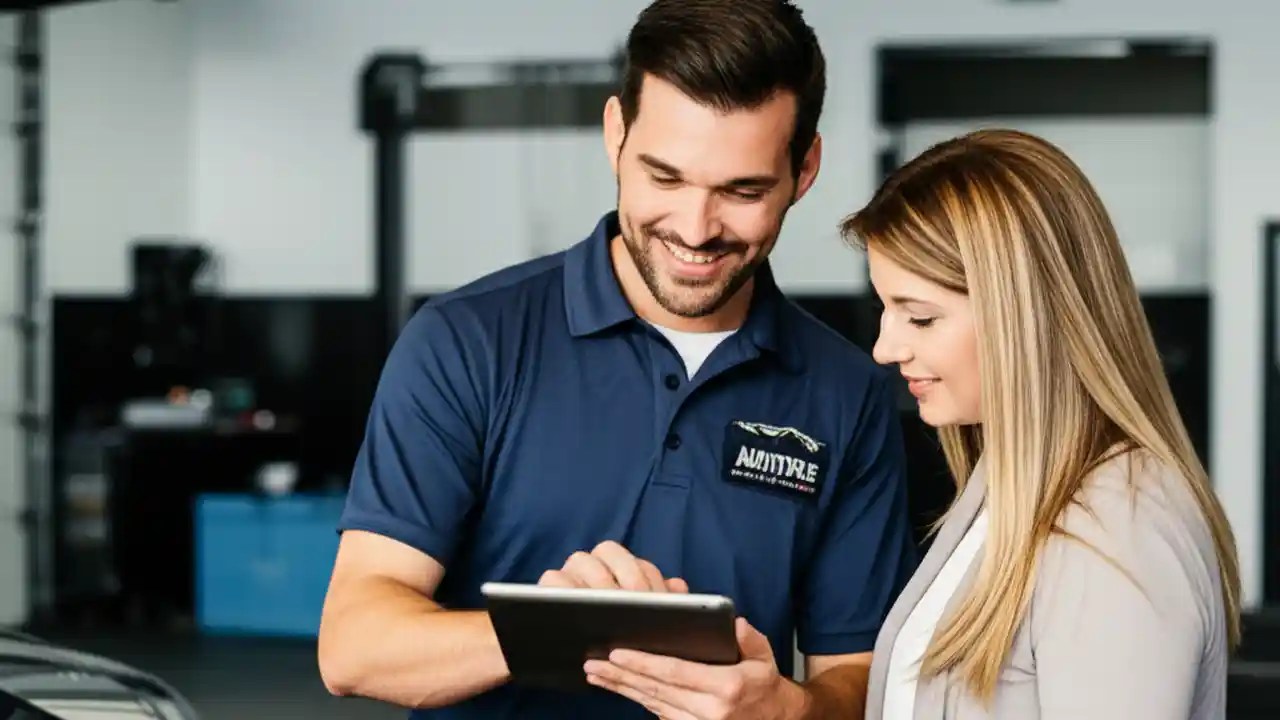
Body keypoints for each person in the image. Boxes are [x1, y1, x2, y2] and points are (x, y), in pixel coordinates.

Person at [317, 2, 918, 718]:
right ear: (615, 135)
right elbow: (354, 646)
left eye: (742, 190)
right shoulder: (465, 342)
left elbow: (857, 675)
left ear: (805, 168)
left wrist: (788, 711)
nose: (696, 228)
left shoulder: (847, 395)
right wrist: (556, 630)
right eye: (665, 178)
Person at [841, 128, 1241, 720]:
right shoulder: (1009, 486)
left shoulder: (1116, 528)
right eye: (887, 310)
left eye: (920, 317)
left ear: (1023, 316)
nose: (885, 347)